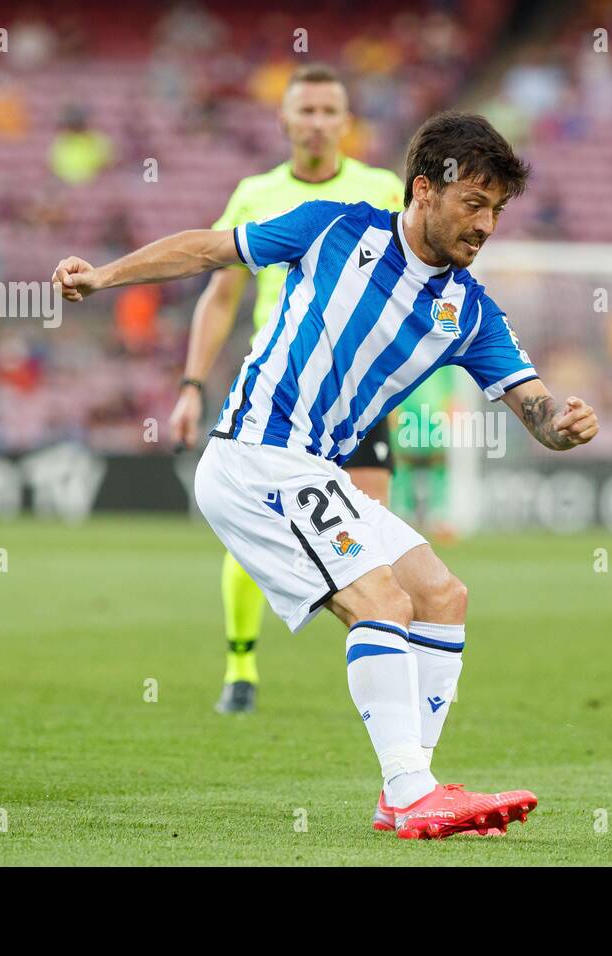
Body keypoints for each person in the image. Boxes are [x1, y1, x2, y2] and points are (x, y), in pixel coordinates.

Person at [54, 111, 598, 839]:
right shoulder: (334, 229)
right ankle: (411, 790)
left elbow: (533, 408)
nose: (486, 224)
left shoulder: (469, 313)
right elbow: (207, 252)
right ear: (423, 191)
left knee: (441, 594)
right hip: (256, 454)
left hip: (316, 471)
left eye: (497, 209)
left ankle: (408, 788)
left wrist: (560, 427)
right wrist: (105, 276)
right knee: (379, 600)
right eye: (474, 203)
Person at [168, 63, 405, 715]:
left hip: (356, 395)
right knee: (257, 525)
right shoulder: (256, 194)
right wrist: (191, 383)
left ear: (347, 121)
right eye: (307, 110)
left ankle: (376, 663)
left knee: (372, 530)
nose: (319, 122)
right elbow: (220, 299)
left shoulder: (382, 189)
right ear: (285, 120)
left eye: (331, 110)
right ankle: (241, 666)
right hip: (277, 394)